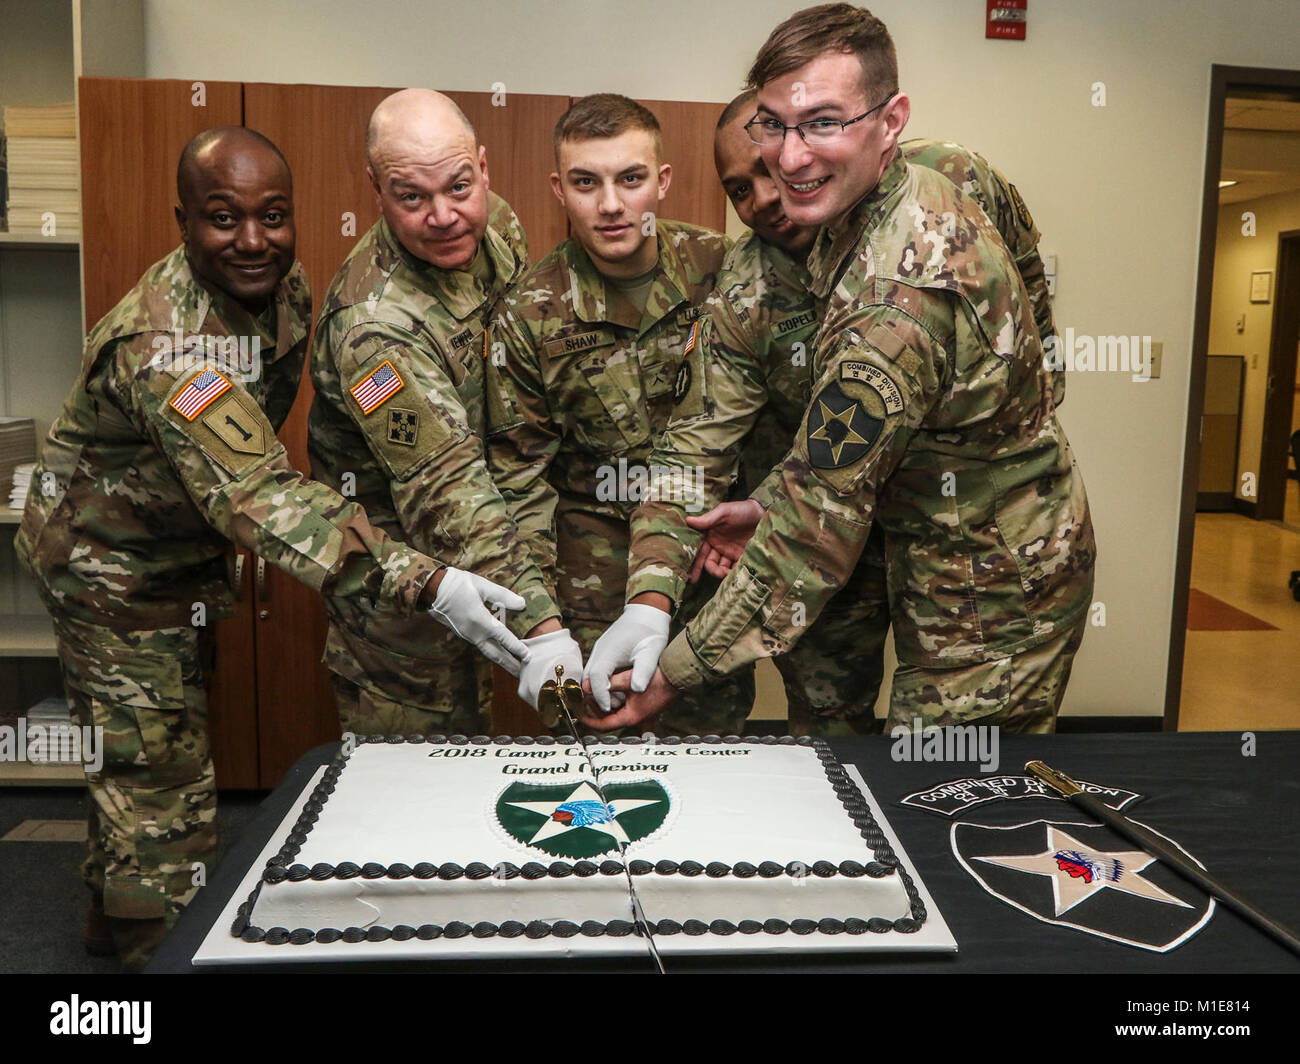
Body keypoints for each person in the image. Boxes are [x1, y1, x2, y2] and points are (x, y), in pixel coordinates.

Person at [16, 127, 527, 969]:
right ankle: (155, 952)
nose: (253, 240)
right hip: (110, 570)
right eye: (224, 218)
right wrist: (425, 580)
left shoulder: (279, 284)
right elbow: (259, 492)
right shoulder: (167, 350)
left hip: (183, 546)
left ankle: (108, 923)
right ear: (183, 221)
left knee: (139, 747)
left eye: (273, 216)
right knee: (160, 780)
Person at [585, 4, 1095, 737]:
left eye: (823, 124)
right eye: (773, 129)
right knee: (852, 741)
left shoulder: (896, 297)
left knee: (946, 780)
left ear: (890, 123)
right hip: (870, 523)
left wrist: (676, 672)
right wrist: (650, 599)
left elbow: (813, 523)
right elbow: (699, 448)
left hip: (988, 565)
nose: (786, 167)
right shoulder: (788, 252)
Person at [485, 93, 754, 735]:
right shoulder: (530, 311)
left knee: (715, 756)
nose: (610, 204)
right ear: (559, 189)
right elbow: (519, 482)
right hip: (588, 583)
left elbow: (762, 418)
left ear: (662, 181)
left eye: (630, 179)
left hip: (705, 562)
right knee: (594, 759)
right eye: (587, 183)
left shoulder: (722, 269)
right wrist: (541, 625)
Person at [309, 89, 563, 735]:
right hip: (404, 620)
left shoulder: (497, 225)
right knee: (415, 781)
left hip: (488, 554)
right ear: (376, 190)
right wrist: (544, 625)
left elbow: (517, 385)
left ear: (483, 167)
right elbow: (446, 486)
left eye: (459, 186)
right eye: (412, 198)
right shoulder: (373, 327)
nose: (445, 216)